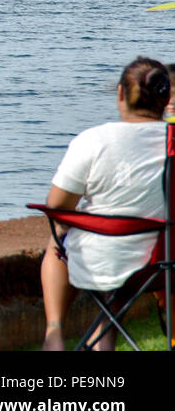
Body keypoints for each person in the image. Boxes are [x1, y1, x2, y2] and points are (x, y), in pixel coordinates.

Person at [40, 57, 170, 350]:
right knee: (131, 249)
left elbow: (57, 206)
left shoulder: (94, 140)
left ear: (121, 94)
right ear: (166, 99)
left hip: (101, 260)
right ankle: (104, 339)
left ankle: (54, 334)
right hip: (162, 265)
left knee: (57, 240)